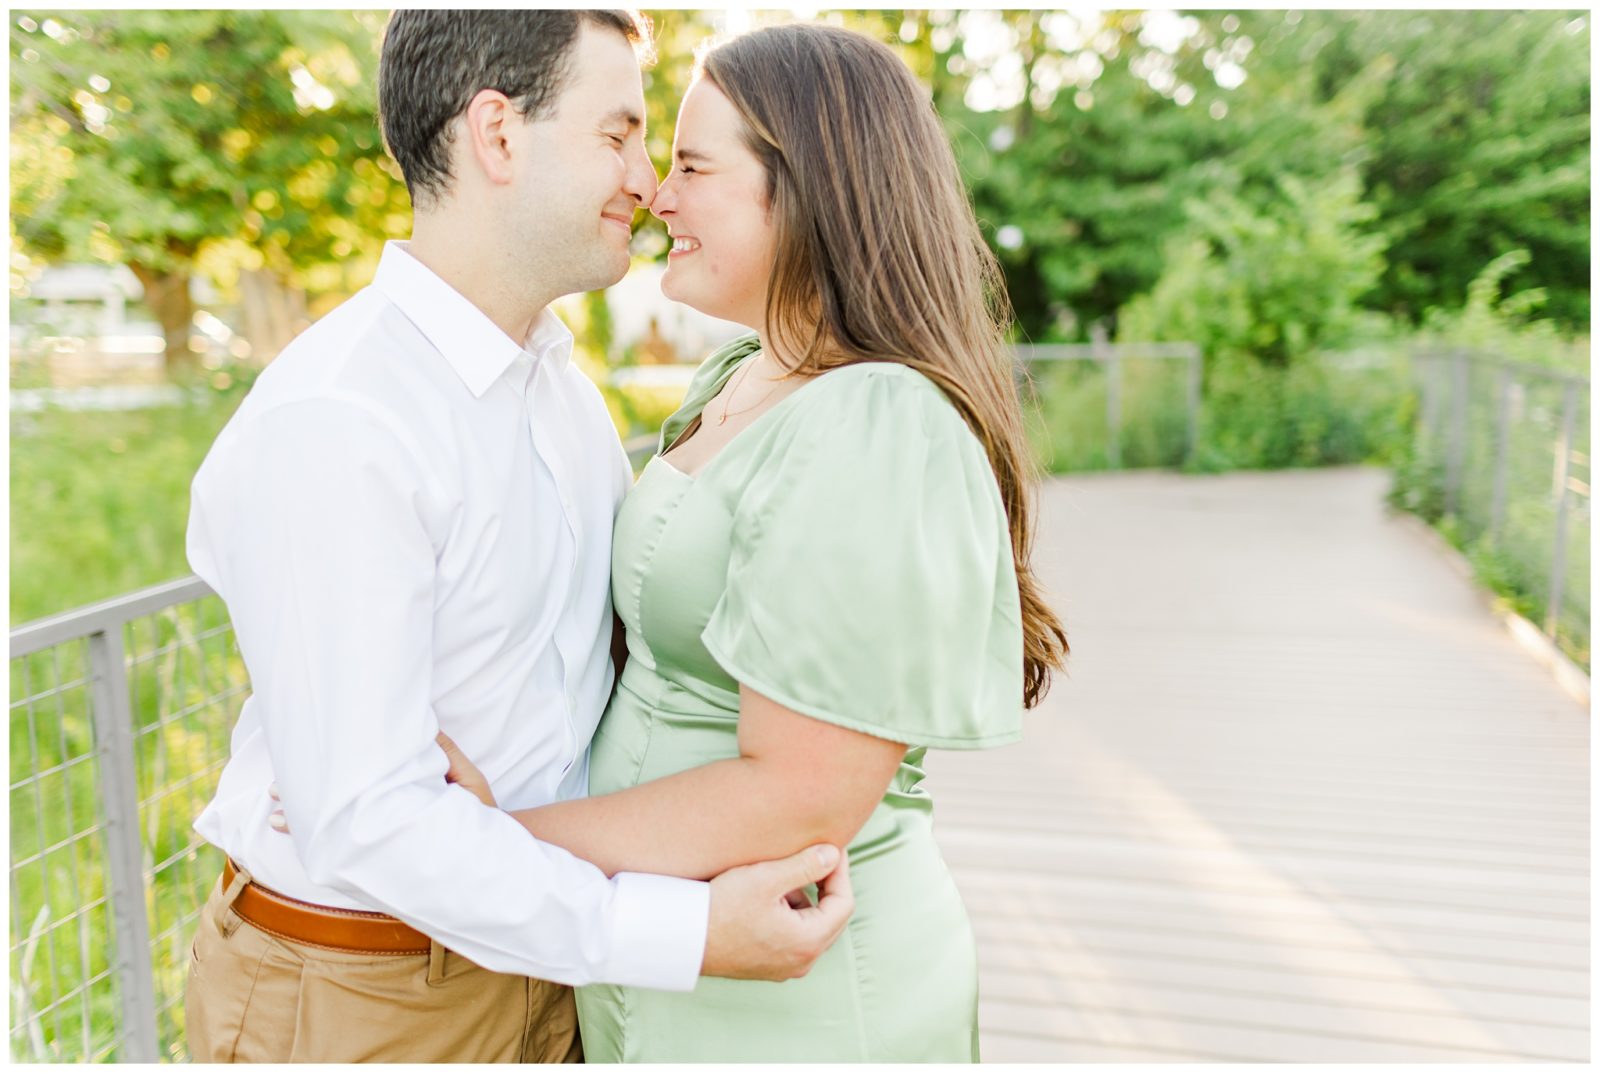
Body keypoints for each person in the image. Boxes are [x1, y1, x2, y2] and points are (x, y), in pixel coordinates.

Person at [181, 11, 853, 1064]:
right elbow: (372, 819)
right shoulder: (339, 420)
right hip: (370, 992)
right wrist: (684, 932)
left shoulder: (563, 397)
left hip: (546, 960)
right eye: (617, 133)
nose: (647, 180)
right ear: (498, 134)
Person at [431, 22, 1071, 1062]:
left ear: (811, 186)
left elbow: (800, 790)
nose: (655, 194)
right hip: (675, 954)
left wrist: (495, 848)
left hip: (800, 989)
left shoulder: (878, 420)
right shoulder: (741, 375)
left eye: (691, 165)